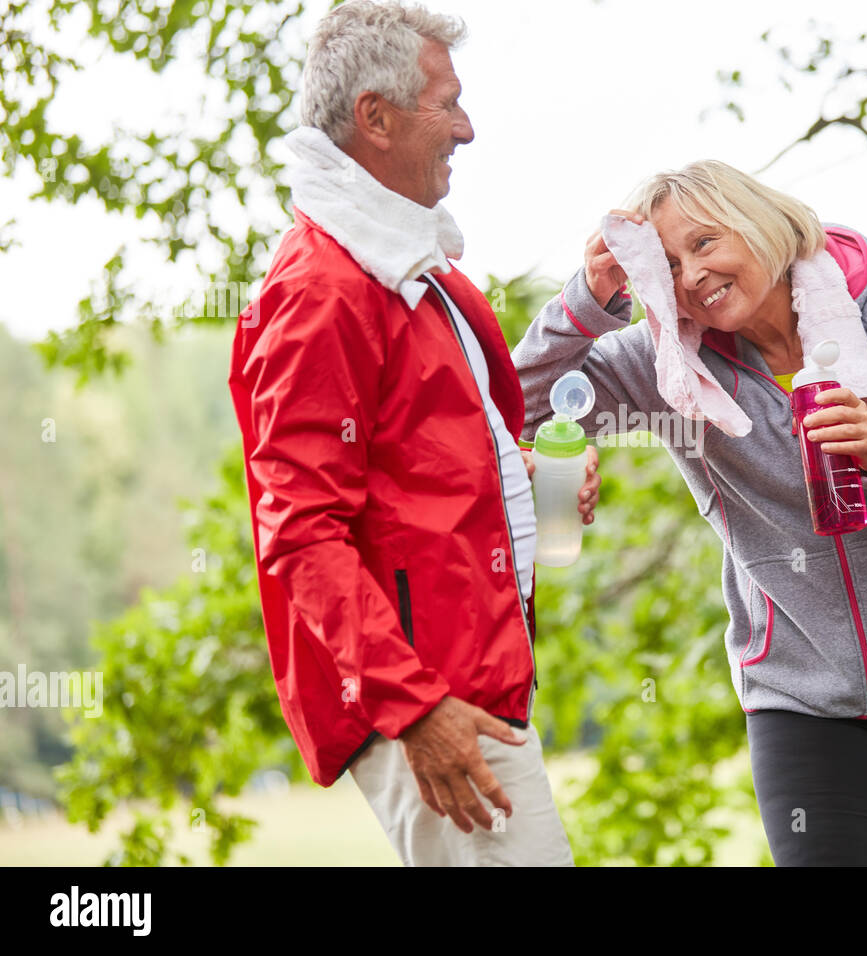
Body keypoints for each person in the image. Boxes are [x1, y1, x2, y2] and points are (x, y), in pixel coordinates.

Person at [512, 160, 867, 866]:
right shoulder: (667, 365)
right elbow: (515, 404)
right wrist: (586, 302)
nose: (691, 275)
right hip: (798, 691)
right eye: (667, 265)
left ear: (754, 224)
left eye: (705, 243)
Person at [227, 0, 598, 867]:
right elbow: (301, 534)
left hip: (471, 675)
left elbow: (440, 463)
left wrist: (530, 486)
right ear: (376, 118)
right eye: (448, 102)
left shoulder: (416, 270)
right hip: (426, 695)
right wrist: (412, 706)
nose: (467, 129)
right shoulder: (323, 288)